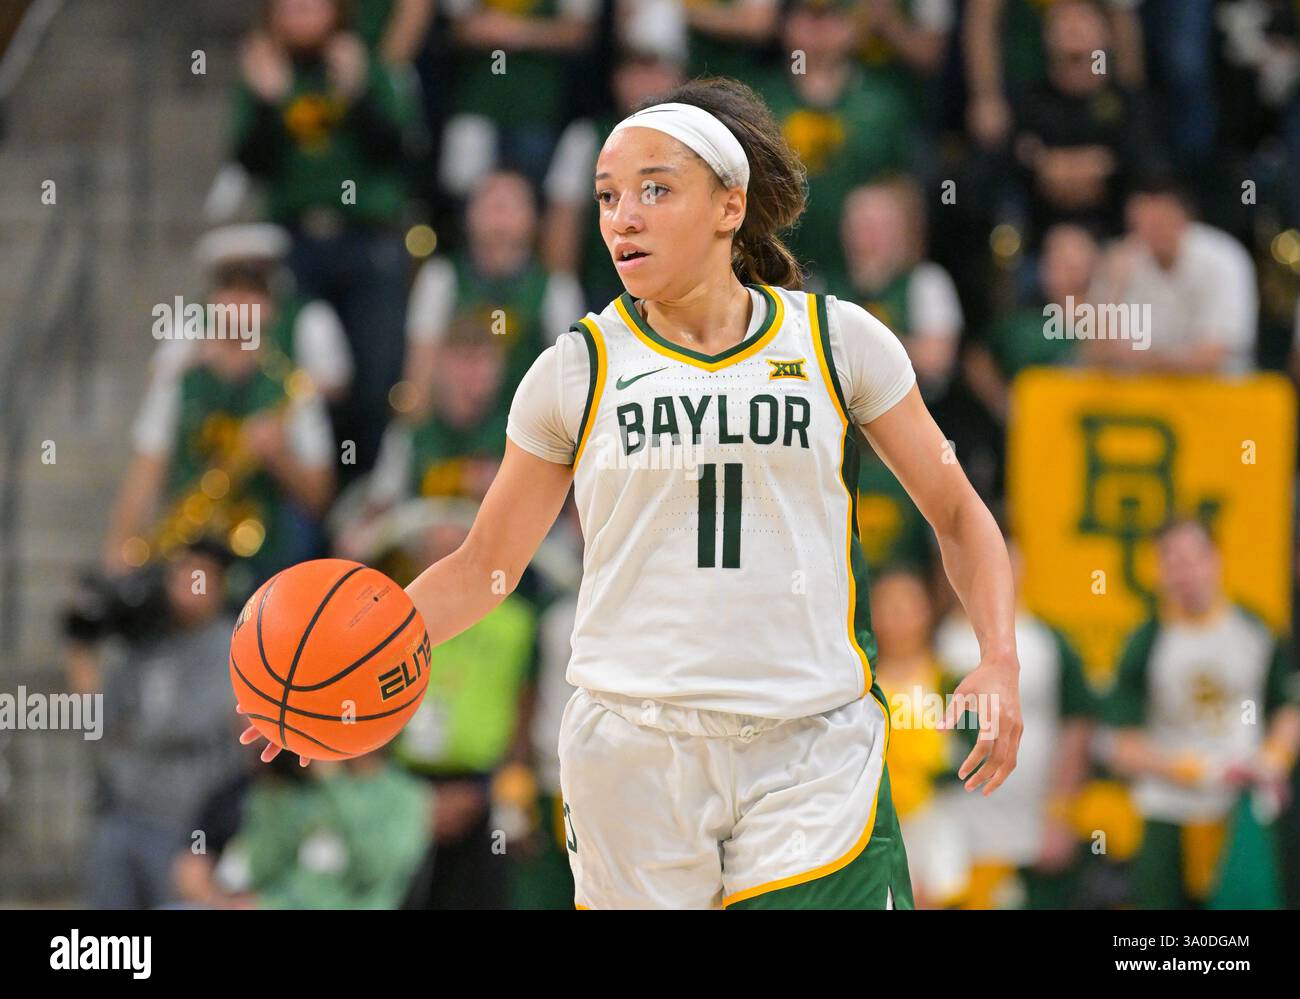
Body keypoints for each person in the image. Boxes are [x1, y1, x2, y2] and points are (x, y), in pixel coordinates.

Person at [242, 75, 1022, 910]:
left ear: (730, 205)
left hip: (812, 744)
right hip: (633, 750)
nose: (624, 217)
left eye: (656, 190)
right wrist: (334, 675)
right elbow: (486, 566)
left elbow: (955, 511)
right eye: (609, 196)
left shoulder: (839, 340)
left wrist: (999, 655)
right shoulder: (573, 369)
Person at [1101, 516, 1300, 909]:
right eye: (1171, 562)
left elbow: (1287, 710)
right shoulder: (1146, 642)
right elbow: (1121, 746)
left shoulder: (1254, 630)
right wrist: (1192, 769)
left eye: (1193, 559)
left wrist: (1274, 757)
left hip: (1240, 813)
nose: (1184, 573)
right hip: (1167, 814)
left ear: (1216, 559)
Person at [935, 536, 1099, 909]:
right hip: (951, 832)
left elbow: (1077, 729)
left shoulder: (1050, 641)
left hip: (1031, 829)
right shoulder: (935, 638)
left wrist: (1061, 814)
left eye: (1005, 559)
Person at [1086, 178, 1258, 374]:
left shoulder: (1224, 259)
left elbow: (1216, 355)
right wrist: (1113, 289)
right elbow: (1096, 354)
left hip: (1220, 394)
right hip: (1144, 396)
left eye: (1161, 222)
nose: (1152, 232)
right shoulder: (1122, 261)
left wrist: (1146, 360)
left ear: (1185, 220)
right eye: (1142, 223)